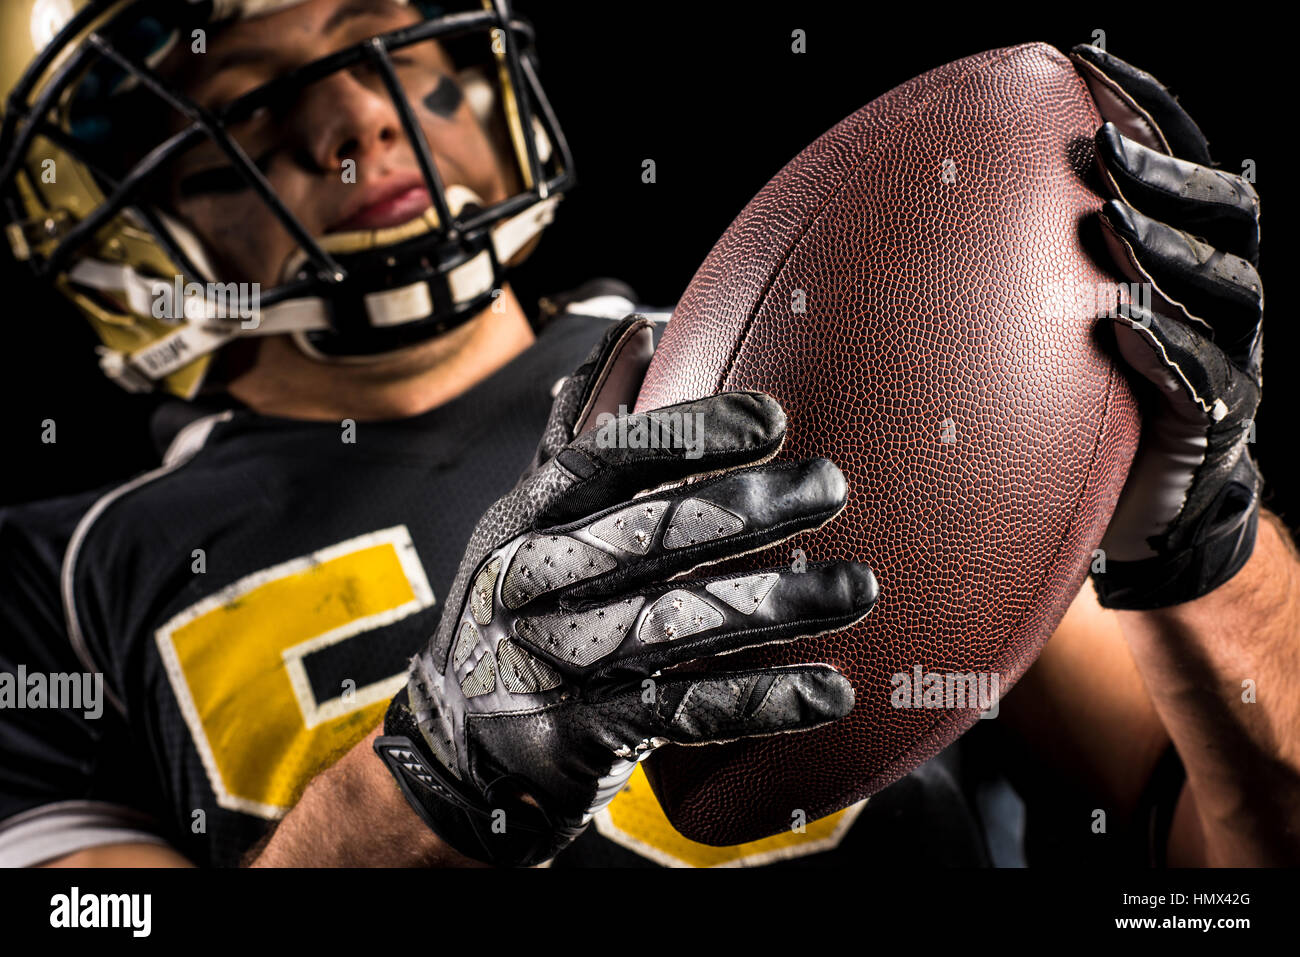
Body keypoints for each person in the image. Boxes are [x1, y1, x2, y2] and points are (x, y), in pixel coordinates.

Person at [0, 0, 1293, 868]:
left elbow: (1237, 860)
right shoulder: (44, 584)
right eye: (251, 102)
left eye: (385, 45)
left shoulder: (826, 350)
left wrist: (1211, 566)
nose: (359, 125)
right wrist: (437, 777)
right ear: (120, 215)